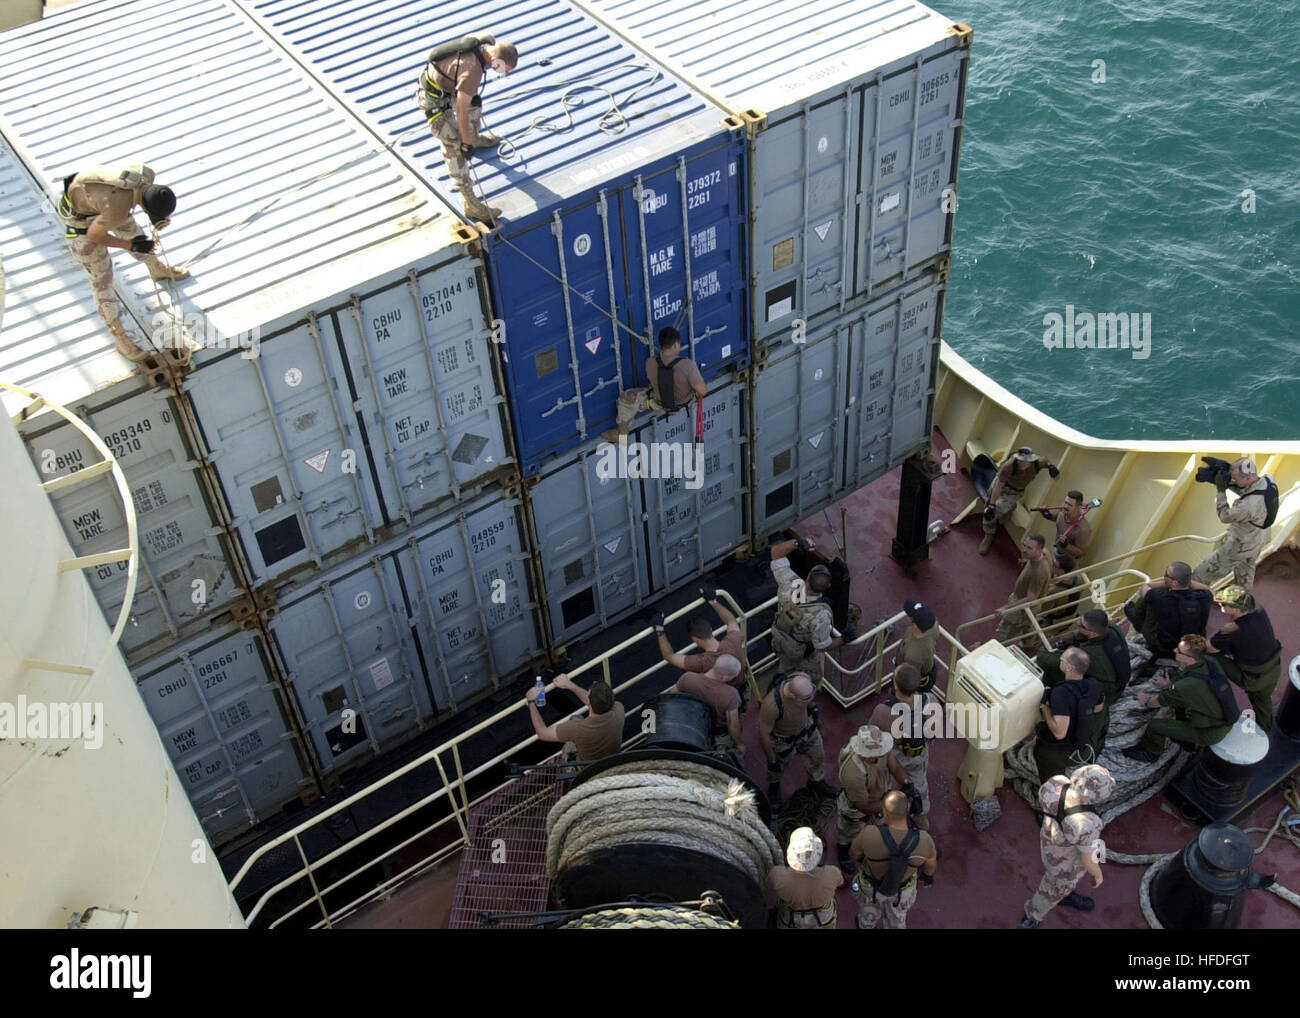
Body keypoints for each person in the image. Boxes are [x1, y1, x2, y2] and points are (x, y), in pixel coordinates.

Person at [56, 163, 189, 363]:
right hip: (82, 220)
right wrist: (130, 246)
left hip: (106, 202)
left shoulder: (147, 174)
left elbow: (133, 202)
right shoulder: (117, 209)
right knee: (102, 281)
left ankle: (156, 269)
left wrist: (155, 221)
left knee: (140, 236)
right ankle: (120, 336)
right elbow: (95, 235)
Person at [416, 33, 518, 222]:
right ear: (495, 59)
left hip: (450, 87)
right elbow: (461, 110)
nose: (502, 73)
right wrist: (466, 144)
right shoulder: (472, 72)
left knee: (474, 102)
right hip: (433, 98)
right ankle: (470, 203)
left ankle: (474, 136)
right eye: (502, 68)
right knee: (454, 143)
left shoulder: (487, 43)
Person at [1018, 764, 1113, 929]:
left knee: (1058, 884)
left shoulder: (1056, 783)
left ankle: (1063, 894)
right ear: (1090, 798)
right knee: (1051, 889)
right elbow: (1088, 859)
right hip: (1063, 864)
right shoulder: (1089, 823)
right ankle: (1032, 917)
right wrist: (1097, 874)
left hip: (1048, 842)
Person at [1123, 635, 1239, 763]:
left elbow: (1154, 703)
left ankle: (1152, 753)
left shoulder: (1185, 687)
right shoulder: (1210, 662)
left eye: (1179, 651)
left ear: (1190, 658)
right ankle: (1185, 740)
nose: (1174, 651)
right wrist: (1168, 684)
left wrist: (1145, 699)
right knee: (1180, 704)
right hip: (1224, 717)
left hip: (1209, 732)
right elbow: (1190, 679)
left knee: (1155, 727)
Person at [1035, 609, 1131, 755]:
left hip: (1106, 692)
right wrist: (1065, 643)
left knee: (1057, 674)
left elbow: (1047, 661)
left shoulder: (1093, 655)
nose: (1077, 625)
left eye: (1080, 625)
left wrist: (1042, 651)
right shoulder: (1112, 628)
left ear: (1091, 632)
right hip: (1117, 680)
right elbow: (1082, 635)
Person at [849, 790, 938, 930]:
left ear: (884, 812)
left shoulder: (869, 833)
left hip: (871, 886)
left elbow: (854, 854)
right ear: (908, 809)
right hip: (902, 890)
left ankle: (866, 924)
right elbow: (930, 866)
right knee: (897, 918)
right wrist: (926, 876)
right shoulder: (924, 840)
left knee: (868, 913)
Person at [604, 327, 707, 441]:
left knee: (626, 397)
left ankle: (622, 435)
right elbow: (703, 391)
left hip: (658, 404)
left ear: (661, 345)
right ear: (676, 345)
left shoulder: (650, 362)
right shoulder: (688, 365)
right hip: (683, 405)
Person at [652, 585, 749, 706]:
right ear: (711, 630)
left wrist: (660, 630)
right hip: (741, 684)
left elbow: (669, 656)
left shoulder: (701, 662)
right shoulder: (733, 641)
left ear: (695, 640)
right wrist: (713, 601)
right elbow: (731, 621)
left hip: (722, 698)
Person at [1192, 457, 1276, 593]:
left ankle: (1193, 603)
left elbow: (1225, 516)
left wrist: (1221, 490)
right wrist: (1228, 471)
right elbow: (1249, 491)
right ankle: (1243, 605)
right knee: (1245, 575)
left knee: (1199, 575)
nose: (1233, 480)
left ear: (1248, 478)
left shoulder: (1247, 507)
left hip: (1241, 545)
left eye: (1235, 478)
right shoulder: (1268, 480)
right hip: (1259, 539)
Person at [835, 724, 911, 873]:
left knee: (882, 825)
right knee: (847, 832)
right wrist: (892, 802)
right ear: (868, 754)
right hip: (856, 809)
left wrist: (907, 784)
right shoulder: (853, 773)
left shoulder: (880, 750)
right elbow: (863, 806)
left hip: (880, 796)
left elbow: (895, 767)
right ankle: (843, 852)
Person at [1207, 586, 1283, 734]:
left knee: (1208, 655)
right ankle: (1265, 729)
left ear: (1236, 609)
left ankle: (1214, 692)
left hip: (1254, 679)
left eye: (1223, 604)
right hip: (1273, 668)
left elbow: (1210, 648)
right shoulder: (1258, 609)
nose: (1220, 605)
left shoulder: (1232, 629)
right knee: (1262, 701)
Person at [767, 535, 844, 677]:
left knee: (784, 665)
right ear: (827, 587)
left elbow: (776, 554)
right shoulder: (821, 615)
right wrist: (844, 639)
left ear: (807, 579)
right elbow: (823, 646)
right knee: (810, 678)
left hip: (780, 641)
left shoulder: (790, 584)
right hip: (801, 653)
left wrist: (797, 543)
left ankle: (783, 677)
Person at [759, 671, 837, 807]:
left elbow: (809, 699)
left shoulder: (802, 679)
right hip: (783, 739)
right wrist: (772, 759)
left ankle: (817, 781)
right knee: (778, 767)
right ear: (792, 695)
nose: (811, 698)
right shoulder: (772, 706)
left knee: (817, 755)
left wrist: (813, 710)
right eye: (806, 698)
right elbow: (764, 733)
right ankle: (774, 786)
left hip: (806, 727)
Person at [870, 664, 933, 831]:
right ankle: (919, 813)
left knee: (884, 784)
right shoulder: (931, 700)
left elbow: (873, 736)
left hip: (893, 755)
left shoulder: (883, 711)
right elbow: (934, 731)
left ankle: (884, 813)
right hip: (919, 753)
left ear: (895, 685)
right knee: (919, 783)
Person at [1123, 561, 1213, 674]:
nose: (1164, 575)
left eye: (1166, 574)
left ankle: (1137, 620)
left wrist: (1165, 584)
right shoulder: (1205, 597)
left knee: (1145, 601)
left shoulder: (1160, 598)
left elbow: (1145, 587)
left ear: (1175, 582)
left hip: (1165, 647)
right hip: (1193, 644)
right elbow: (1207, 588)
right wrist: (1184, 583)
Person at [1033, 648, 1103, 781]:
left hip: (1060, 749)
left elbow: (1060, 733)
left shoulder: (1060, 693)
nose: (1059, 659)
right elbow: (1098, 708)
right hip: (1082, 742)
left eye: (1062, 659)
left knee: (1053, 783)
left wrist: (1046, 710)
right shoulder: (1093, 685)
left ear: (1069, 668)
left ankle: (1052, 797)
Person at [525, 673, 625, 761]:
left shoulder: (577, 728)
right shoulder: (619, 709)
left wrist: (531, 702)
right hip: (611, 761)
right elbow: (595, 701)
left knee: (574, 720)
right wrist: (570, 685)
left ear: (589, 700)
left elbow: (543, 734)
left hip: (587, 770)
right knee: (576, 718)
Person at [980, 446, 1059, 555]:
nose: (1023, 464)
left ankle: (989, 533)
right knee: (990, 505)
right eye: (1021, 461)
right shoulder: (1009, 466)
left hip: (1016, 492)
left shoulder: (1037, 463)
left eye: (1026, 461)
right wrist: (992, 505)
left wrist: (1051, 467)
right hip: (1002, 484)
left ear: (1031, 460)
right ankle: (1005, 510)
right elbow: (998, 486)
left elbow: (1046, 460)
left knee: (997, 509)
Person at [769, 827, 844, 930]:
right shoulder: (832, 873)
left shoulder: (776, 874)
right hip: (823, 919)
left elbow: (768, 883)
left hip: (791, 920)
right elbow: (841, 882)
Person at [666, 655, 745, 751]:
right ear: (724, 677)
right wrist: (739, 744)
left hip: (689, 725)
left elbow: (671, 698)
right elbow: (732, 724)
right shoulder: (731, 695)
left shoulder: (687, 678)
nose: (735, 677)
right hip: (714, 731)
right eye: (734, 676)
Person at [993, 533, 1052, 646]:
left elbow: (1031, 597)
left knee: (1004, 633)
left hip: (1022, 607)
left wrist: (1006, 608)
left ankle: (997, 648)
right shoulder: (1045, 554)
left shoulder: (1038, 572)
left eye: (1029, 548)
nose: (1024, 550)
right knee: (1028, 626)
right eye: (1024, 545)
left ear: (1039, 550)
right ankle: (1028, 644)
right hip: (1030, 605)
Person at [895, 599, 939, 693]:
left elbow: (909, 680)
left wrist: (896, 691)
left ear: (915, 625)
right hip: (926, 667)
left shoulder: (914, 656)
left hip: (916, 677)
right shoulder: (933, 624)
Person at [1041, 490, 1093, 560]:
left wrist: (1067, 545)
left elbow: (1082, 552)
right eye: (1065, 502)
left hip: (1067, 560)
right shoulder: (1063, 511)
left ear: (1079, 507)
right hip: (1056, 550)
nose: (1065, 506)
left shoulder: (1083, 529)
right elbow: (1056, 519)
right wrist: (1048, 516)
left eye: (1070, 505)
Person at [1040, 550, 1083, 629]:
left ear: (1062, 571)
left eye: (1055, 566)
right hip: (1071, 614)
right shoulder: (1078, 578)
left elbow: (1042, 613)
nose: (1052, 565)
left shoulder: (1053, 592)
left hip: (1058, 620)